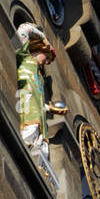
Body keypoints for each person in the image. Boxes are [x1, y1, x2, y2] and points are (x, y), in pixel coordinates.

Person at [15, 22, 65, 159]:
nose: (47, 61)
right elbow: (23, 30)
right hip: (25, 107)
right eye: (47, 56)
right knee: (29, 132)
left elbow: (38, 101)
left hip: (38, 118)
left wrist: (50, 108)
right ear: (38, 49)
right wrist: (43, 37)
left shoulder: (40, 78)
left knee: (41, 142)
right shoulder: (25, 57)